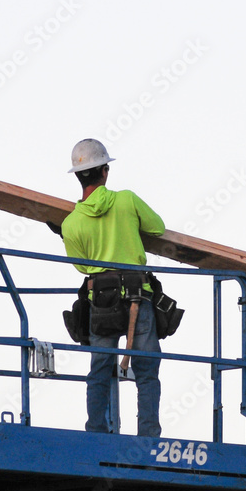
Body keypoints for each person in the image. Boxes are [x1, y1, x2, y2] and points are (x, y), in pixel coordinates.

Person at [60, 139, 166, 437]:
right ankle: (147, 436)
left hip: (102, 301)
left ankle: (96, 432)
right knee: (147, 373)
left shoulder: (72, 223)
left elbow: (82, 267)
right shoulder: (127, 200)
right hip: (136, 297)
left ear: (79, 176)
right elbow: (157, 228)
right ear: (104, 171)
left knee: (99, 370)